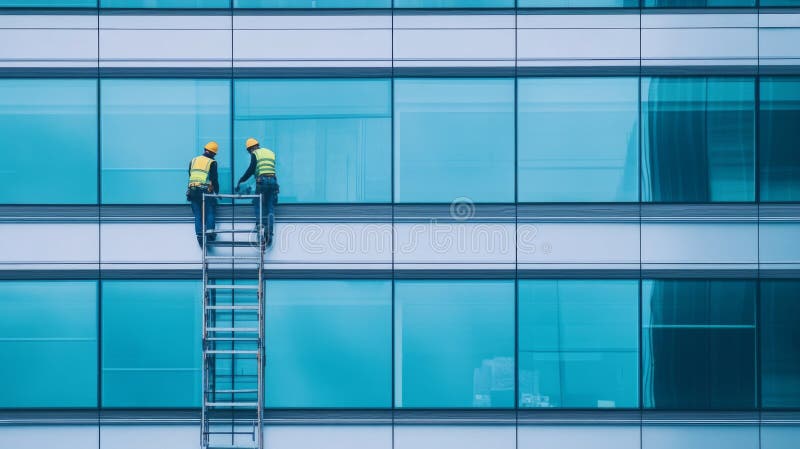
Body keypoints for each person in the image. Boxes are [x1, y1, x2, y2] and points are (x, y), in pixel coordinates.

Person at [236, 137, 278, 248]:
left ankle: (260, 228)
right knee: (270, 206)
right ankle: (269, 232)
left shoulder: (256, 154)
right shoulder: (270, 153)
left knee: (257, 202)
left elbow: (251, 169)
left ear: (251, 148)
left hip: (262, 181)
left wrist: (241, 180)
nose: (250, 153)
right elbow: (270, 169)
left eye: (249, 151)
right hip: (273, 180)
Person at [187, 141, 220, 247]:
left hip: (192, 190)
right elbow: (214, 179)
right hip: (205, 190)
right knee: (210, 211)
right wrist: (217, 192)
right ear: (213, 153)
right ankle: (210, 234)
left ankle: (200, 237)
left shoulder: (193, 160)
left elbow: (190, 174)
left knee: (198, 215)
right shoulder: (212, 162)